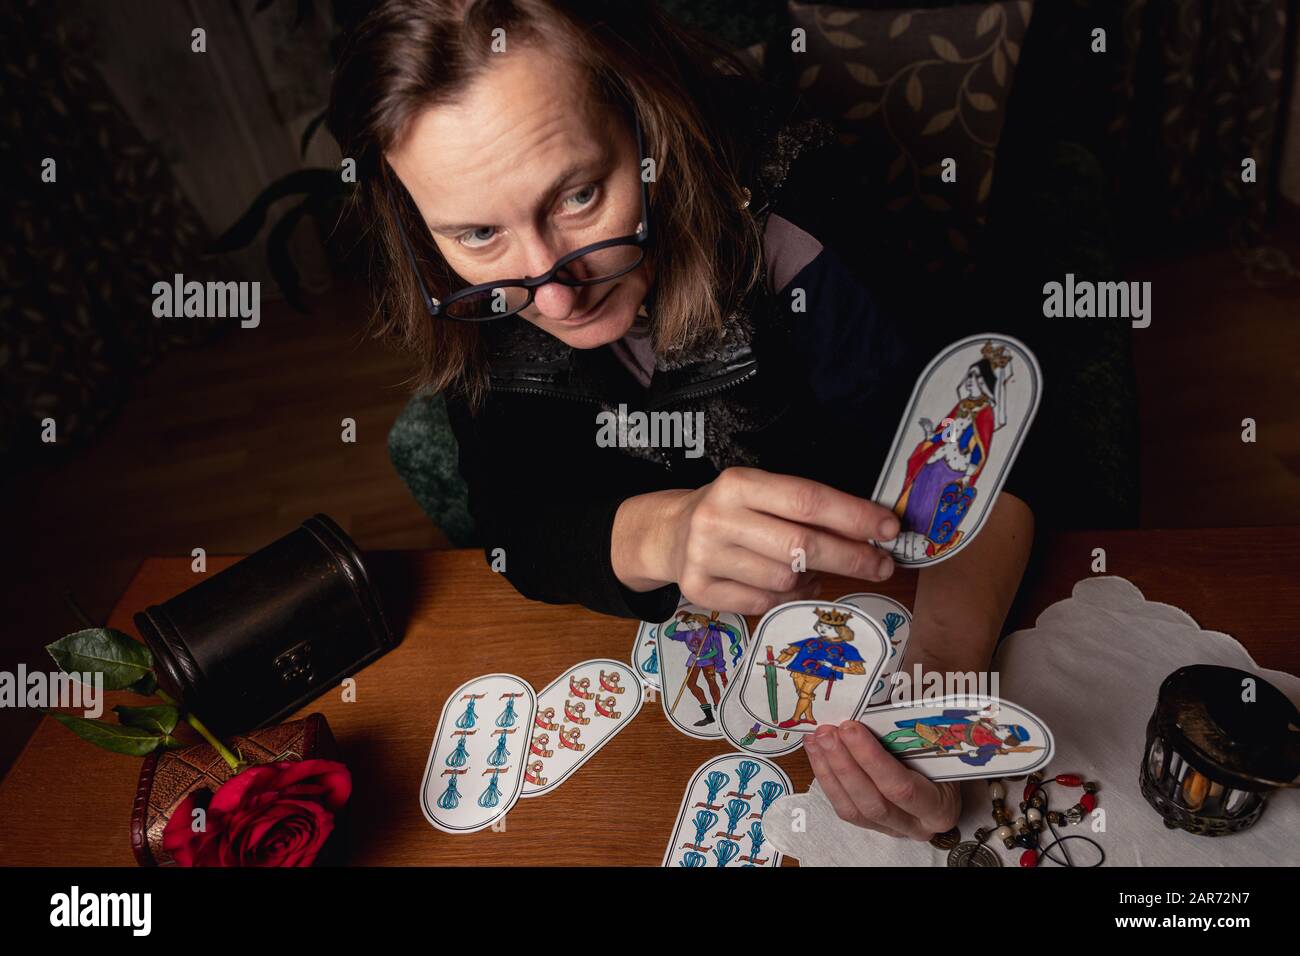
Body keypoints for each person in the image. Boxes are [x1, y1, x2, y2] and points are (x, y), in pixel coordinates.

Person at [328, 0, 1037, 843]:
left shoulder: (794, 223)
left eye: (581, 195)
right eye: (478, 232)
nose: (552, 294)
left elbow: (992, 469)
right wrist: (666, 533)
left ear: (646, 122)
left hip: (877, 597)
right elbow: (512, 519)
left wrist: (933, 691)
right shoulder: (471, 289)